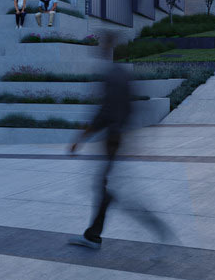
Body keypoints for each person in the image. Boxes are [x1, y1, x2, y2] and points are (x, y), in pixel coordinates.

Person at [68, 59, 170, 250]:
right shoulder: (122, 74)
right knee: (106, 188)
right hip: (118, 139)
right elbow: (130, 108)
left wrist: (81, 138)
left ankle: (158, 228)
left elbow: (106, 112)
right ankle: (93, 235)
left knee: (115, 192)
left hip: (113, 141)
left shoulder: (112, 75)